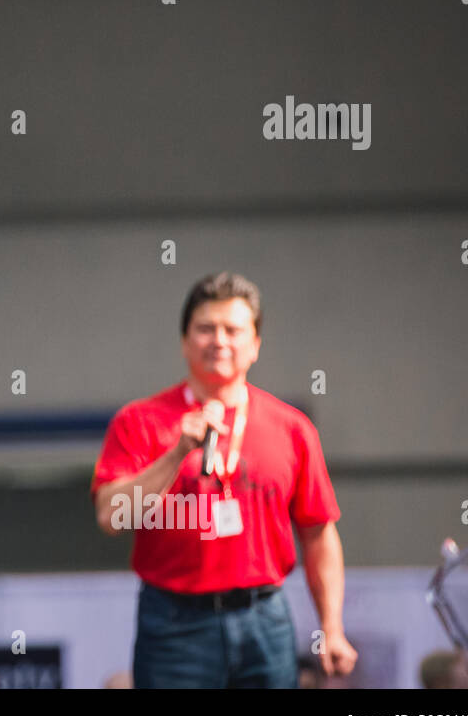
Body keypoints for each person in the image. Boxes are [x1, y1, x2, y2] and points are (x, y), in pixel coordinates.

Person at [91, 271, 358, 688]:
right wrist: (177, 454)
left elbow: (319, 534)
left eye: (233, 329)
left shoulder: (292, 427)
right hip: (174, 623)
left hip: (264, 618)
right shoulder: (139, 421)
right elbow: (111, 516)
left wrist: (332, 627)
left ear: (254, 345)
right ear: (184, 342)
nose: (219, 340)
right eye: (205, 328)